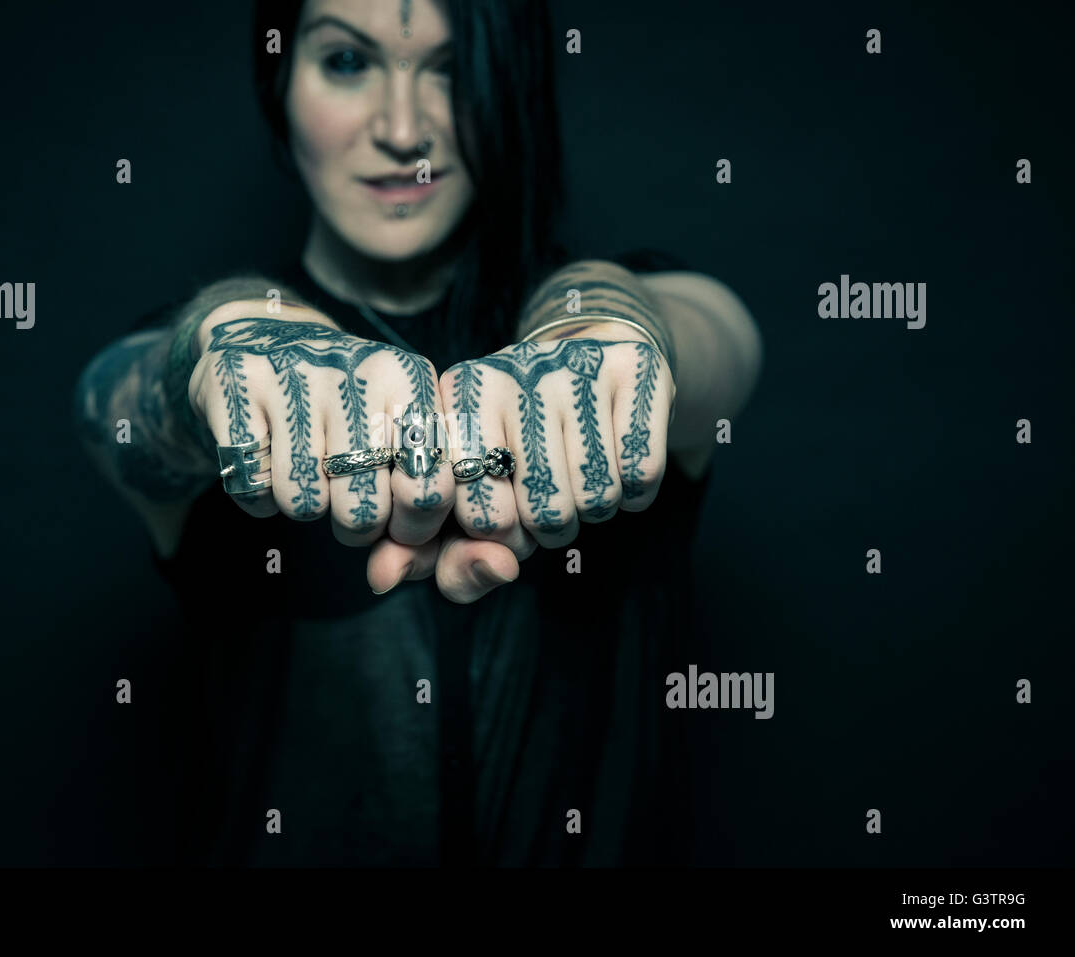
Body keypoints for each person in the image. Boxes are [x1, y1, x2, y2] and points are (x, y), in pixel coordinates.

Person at [73, 0, 762, 866]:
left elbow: (720, 345)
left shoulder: (646, 312)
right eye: (348, 62)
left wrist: (604, 316)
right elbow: (116, 405)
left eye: (450, 68)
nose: (403, 129)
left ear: (512, 85)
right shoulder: (199, 363)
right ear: (278, 78)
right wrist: (216, 340)